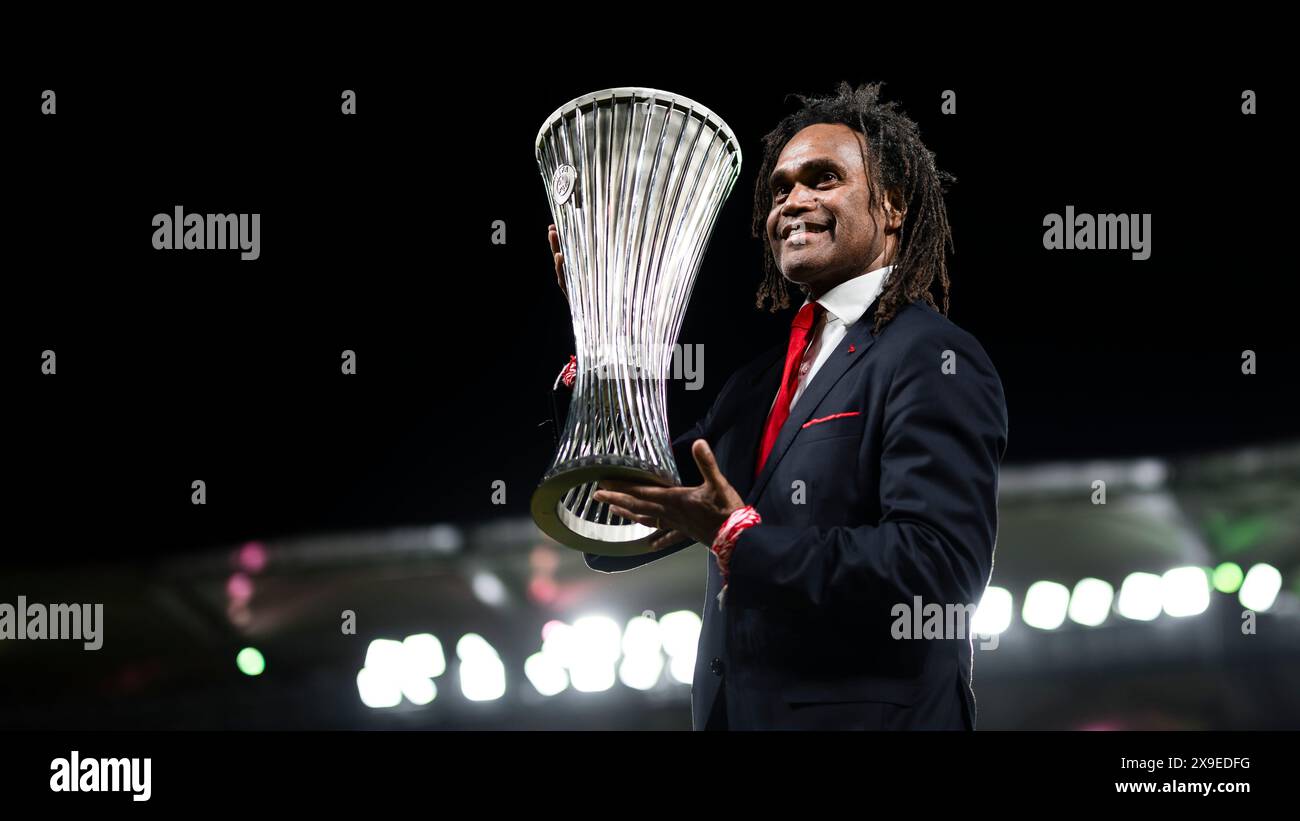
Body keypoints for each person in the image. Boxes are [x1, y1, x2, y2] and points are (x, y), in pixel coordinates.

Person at [547, 82, 1007, 730]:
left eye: (823, 179)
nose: (794, 201)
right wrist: (604, 327)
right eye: (782, 188)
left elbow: (936, 573)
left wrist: (742, 540)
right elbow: (614, 518)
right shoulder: (755, 388)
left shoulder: (930, 357)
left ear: (893, 204)